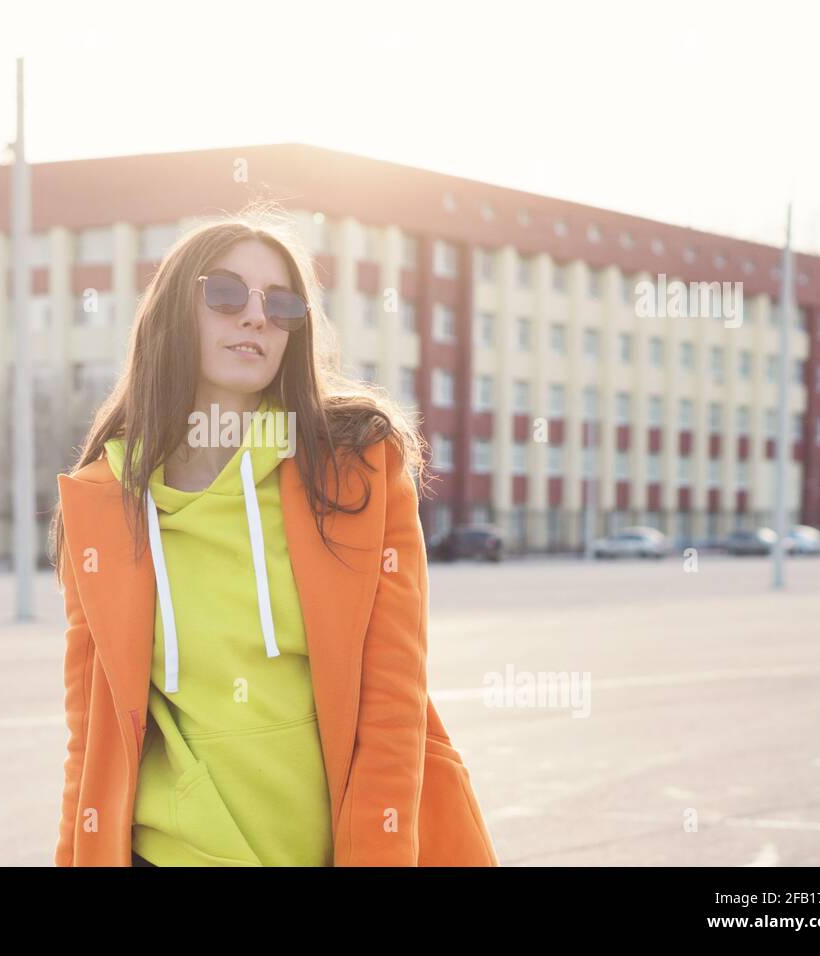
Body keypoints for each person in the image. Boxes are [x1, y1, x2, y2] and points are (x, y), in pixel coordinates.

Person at [50, 208, 498, 867]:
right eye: (226, 293)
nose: (256, 316)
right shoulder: (104, 498)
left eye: (281, 304)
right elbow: (91, 735)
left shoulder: (357, 470)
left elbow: (393, 707)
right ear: (175, 310)